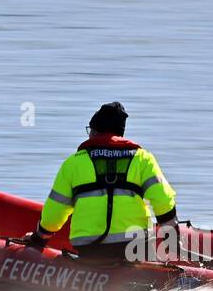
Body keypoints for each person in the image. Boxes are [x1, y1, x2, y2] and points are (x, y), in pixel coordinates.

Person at [25, 102, 178, 261]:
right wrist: (171, 240)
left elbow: (54, 213)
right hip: (134, 248)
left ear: (94, 131)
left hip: (91, 250)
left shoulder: (73, 163)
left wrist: (39, 238)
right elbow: (163, 201)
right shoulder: (143, 159)